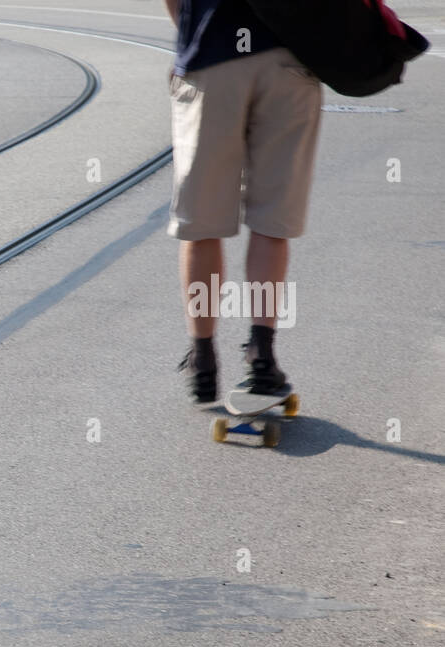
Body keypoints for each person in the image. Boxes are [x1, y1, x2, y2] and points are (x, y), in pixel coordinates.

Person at [164, 0, 322, 402]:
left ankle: (203, 359)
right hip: (289, 60)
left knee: (201, 223)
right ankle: (262, 356)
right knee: (273, 220)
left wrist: (192, 35)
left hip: (212, 55)